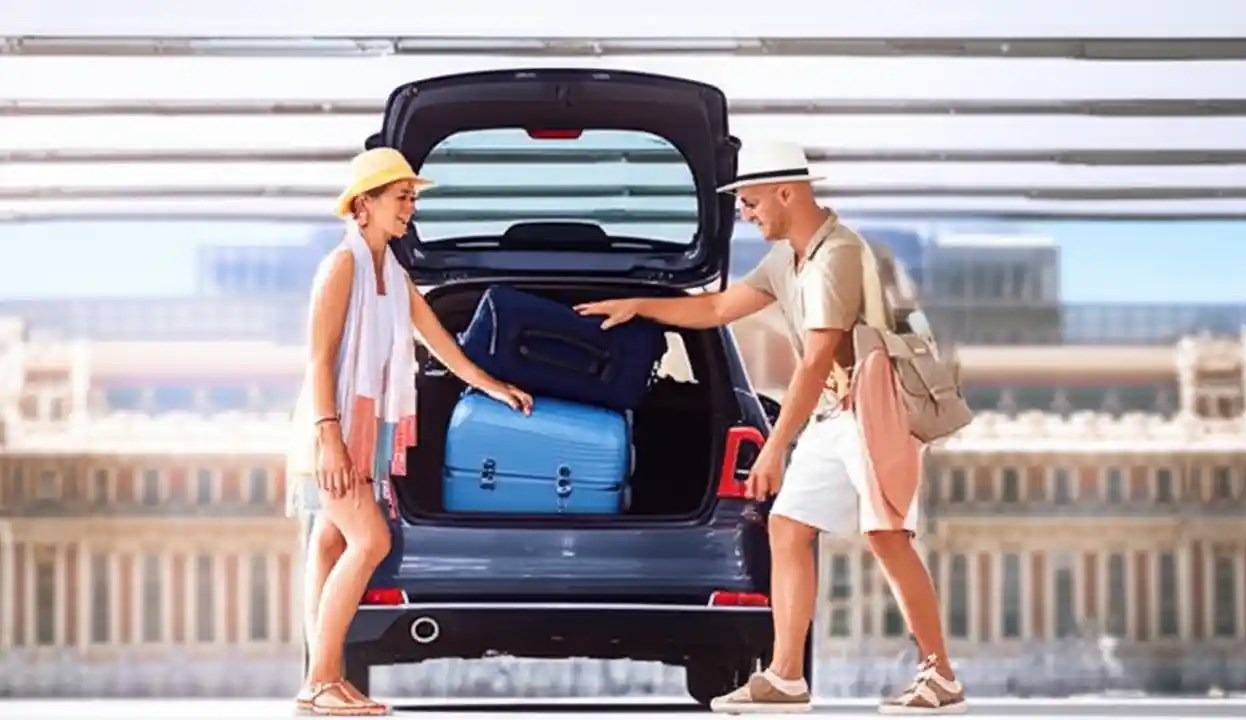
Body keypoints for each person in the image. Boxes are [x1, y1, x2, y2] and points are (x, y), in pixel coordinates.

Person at [575, 139, 966, 715]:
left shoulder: (836, 256)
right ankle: (785, 677)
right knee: (787, 526)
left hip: (876, 411)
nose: (746, 214)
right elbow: (716, 309)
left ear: (788, 191)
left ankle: (941, 675)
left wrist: (774, 448)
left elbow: (815, 357)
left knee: (887, 537)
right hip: (837, 413)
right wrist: (639, 305)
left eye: (751, 202)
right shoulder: (788, 257)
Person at [285, 147, 534, 716]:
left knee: (329, 542)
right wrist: (329, 436)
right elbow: (319, 361)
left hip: (364, 424)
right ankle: (321, 680)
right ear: (363, 204)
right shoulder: (340, 266)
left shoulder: (391, 271)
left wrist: (494, 387)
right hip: (336, 426)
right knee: (369, 541)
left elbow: (438, 342)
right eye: (402, 198)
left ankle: (323, 678)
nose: (410, 210)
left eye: (412, 200)